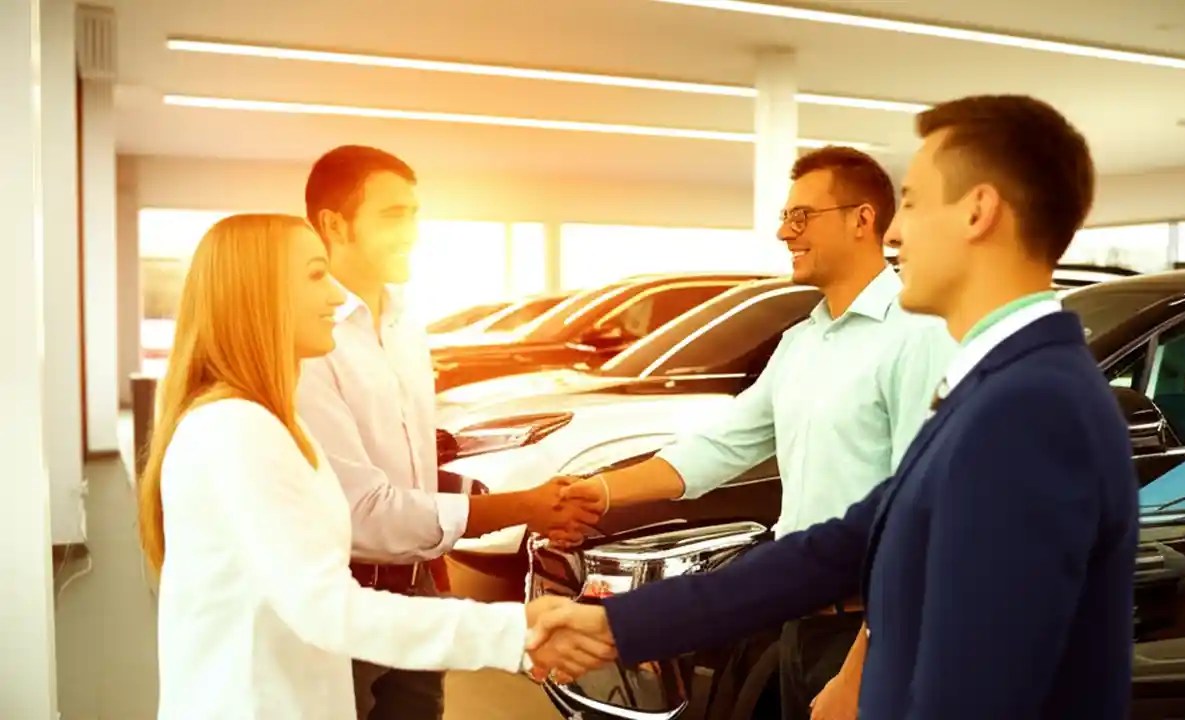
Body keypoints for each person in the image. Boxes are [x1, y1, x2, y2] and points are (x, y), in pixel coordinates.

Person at [527, 94, 1140, 720]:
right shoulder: (994, 387)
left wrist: (862, 674)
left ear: (979, 211)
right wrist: (619, 624)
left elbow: (976, 679)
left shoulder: (1029, 409)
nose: (896, 231)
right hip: (819, 633)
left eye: (915, 202)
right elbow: (841, 546)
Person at [136, 214, 613, 720]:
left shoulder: (264, 421)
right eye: (317, 275)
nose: (337, 299)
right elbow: (326, 607)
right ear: (258, 294)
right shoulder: (240, 429)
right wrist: (513, 632)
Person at [556, 145, 954, 719]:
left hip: (872, 635)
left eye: (801, 217)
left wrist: (863, 669)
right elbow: (722, 446)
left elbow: (923, 518)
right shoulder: (805, 341)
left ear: (864, 219)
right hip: (801, 627)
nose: (784, 233)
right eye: (784, 218)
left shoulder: (919, 335)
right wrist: (602, 491)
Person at [297, 145, 597, 720]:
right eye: (392, 215)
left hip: (417, 586)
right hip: (344, 595)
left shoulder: (407, 320)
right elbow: (364, 510)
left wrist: (443, 553)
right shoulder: (312, 340)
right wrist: (520, 507)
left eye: (413, 213)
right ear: (334, 224)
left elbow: (409, 462)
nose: (411, 231)